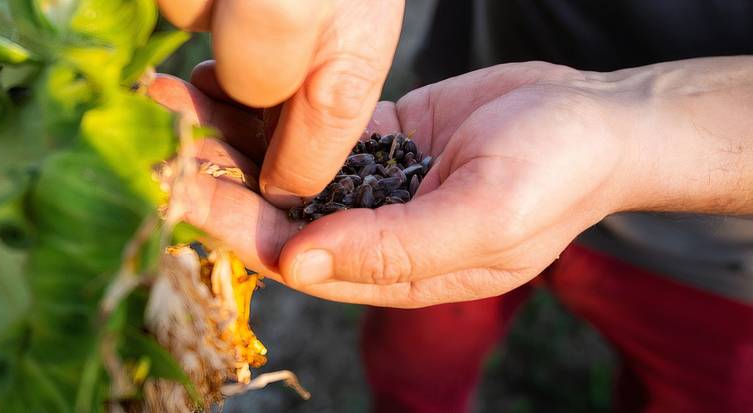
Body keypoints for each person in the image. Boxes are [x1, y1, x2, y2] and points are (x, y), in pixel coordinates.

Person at [150, 1, 753, 411]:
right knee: (414, 364)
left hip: (716, 254)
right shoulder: (426, 154)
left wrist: (630, 128)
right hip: (472, 118)